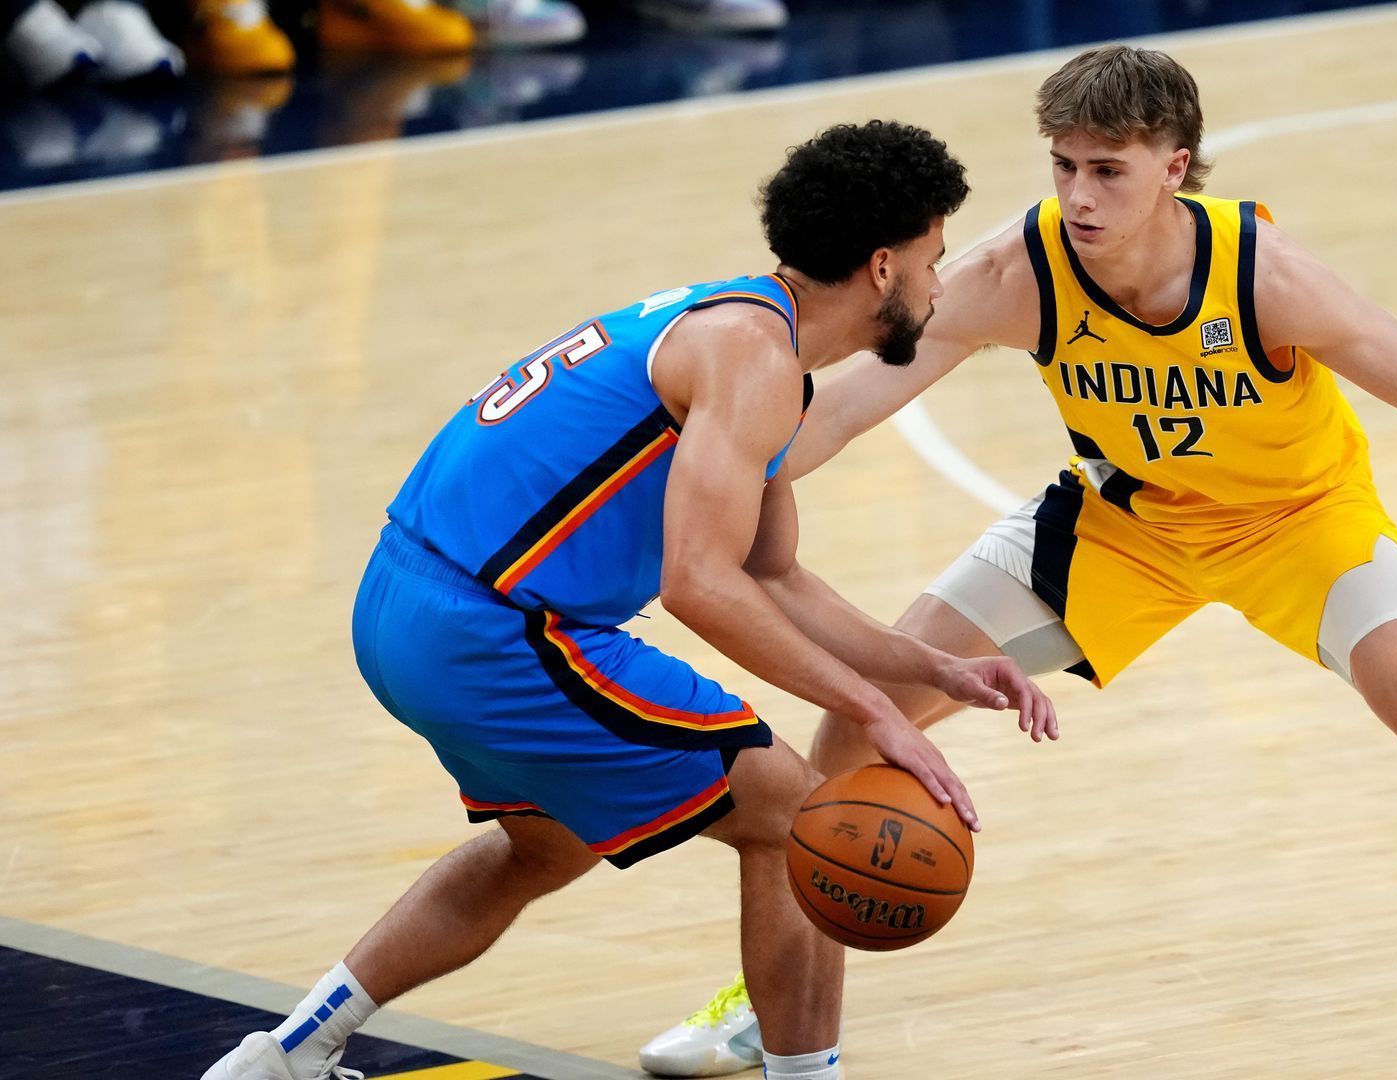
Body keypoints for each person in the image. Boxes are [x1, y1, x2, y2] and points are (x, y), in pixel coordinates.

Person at [641, 45, 1397, 1080]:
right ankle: (773, 1001)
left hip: (1299, 518)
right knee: (870, 703)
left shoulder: (1265, 275)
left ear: (1175, 168)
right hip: (1125, 525)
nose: (1080, 195)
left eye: (1107, 170)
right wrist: (709, 485)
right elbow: (831, 416)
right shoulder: (1019, 272)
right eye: (1062, 166)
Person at [200, 118, 1056, 1080]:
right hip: (498, 629)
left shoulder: (751, 339)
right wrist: (866, 713)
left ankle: (281, 1057)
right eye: (936, 260)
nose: (942, 287)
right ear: (884, 266)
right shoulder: (752, 358)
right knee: (797, 817)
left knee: (544, 847)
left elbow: (775, 576)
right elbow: (699, 585)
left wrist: (927, 671)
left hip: (407, 607)